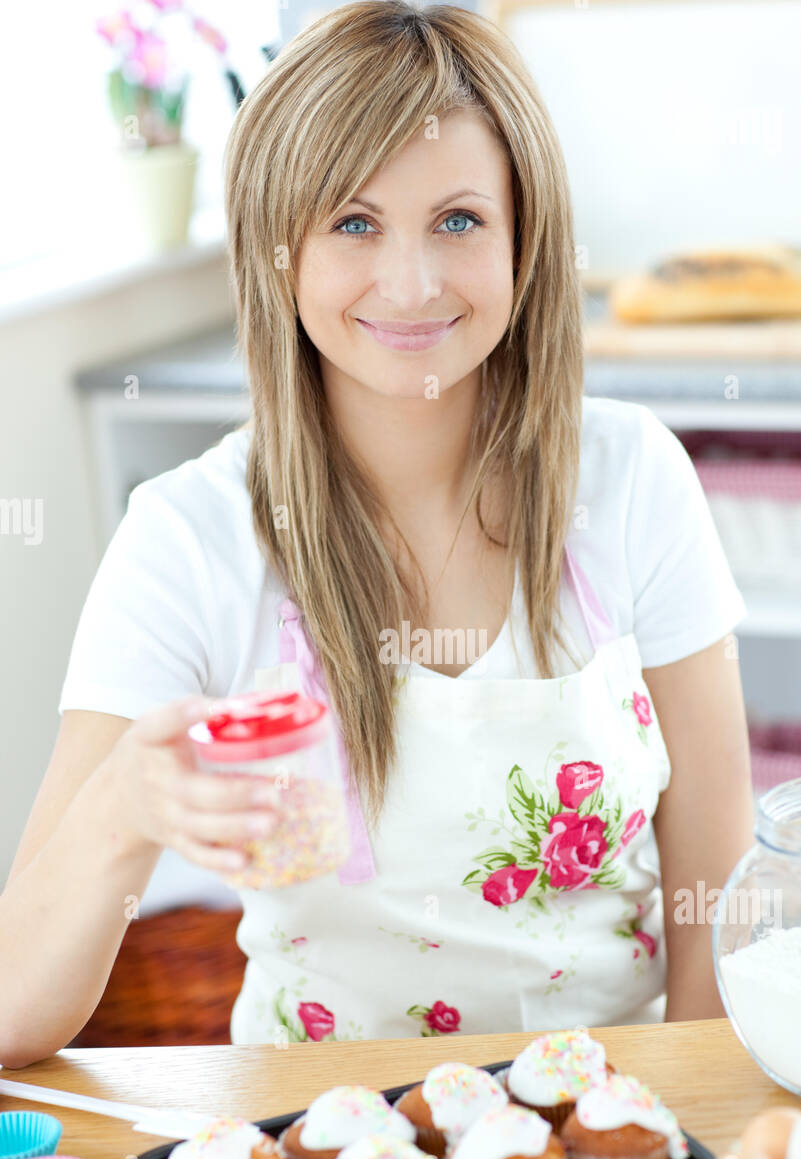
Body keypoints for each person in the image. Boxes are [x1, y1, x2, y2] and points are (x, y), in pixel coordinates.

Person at [0, 2, 754, 1065]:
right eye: (353, 223)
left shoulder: (630, 479)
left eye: (457, 220)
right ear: (280, 254)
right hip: (309, 1151)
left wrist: (684, 1142)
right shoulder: (187, 539)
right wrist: (126, 801)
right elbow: (13, 1012)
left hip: (610, 1120)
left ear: (522, 239)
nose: (410, 283)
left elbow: (712, 897)